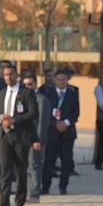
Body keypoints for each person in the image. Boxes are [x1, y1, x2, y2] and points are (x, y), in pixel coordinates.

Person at [0, 62, 39, 206]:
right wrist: (1, 119)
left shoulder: (26, 93)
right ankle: (4, 202)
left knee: (20, 170)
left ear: (17, 76)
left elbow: (32, 113)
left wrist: (14, 120)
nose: (8, 77)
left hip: (20, 136)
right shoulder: (1, 93)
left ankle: (19, 201)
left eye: (11, 74)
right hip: (4, 136)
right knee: (5, 170)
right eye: (5, 75)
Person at [41, 68, 80, 196]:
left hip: (67, 132)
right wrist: (55, 123)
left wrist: (66, 123)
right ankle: (45, 187)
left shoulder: (73, 92)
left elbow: (76, 112)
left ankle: (63, 187)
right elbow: (45, 112)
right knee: (49, 161)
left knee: (66, 161)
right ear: (54, 80)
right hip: (52, 132)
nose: (61, 82)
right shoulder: (48, 93)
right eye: (58, 79)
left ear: (67, 80)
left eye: (63, 79)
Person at [22, 72, 49, 203]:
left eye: (30, 84)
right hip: (23, 137)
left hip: (35, 139)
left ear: (35, 84)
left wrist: (38, 139)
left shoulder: (41, 99)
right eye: (25, 84)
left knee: (34, 165)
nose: (28, 87)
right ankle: (26, 191)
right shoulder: (23, 98)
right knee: (25, 165)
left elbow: (43, 121)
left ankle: (34, 193)